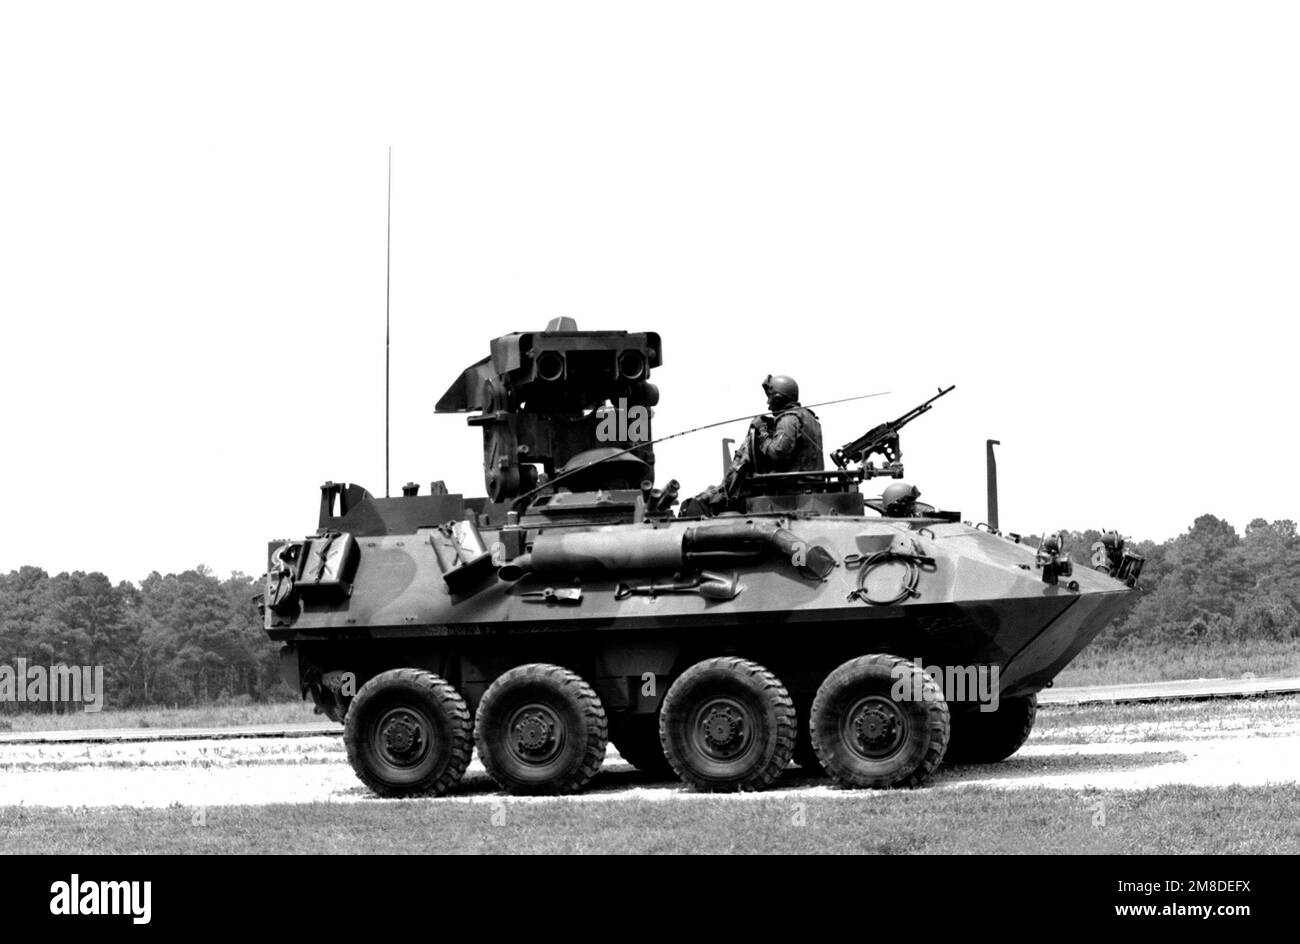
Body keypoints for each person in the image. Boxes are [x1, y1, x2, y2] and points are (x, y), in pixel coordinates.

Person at [750, 374, 824, 473]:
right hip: (810, 482)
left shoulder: (788, 419)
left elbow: (777, 453)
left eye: (770, 397)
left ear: (778, 399)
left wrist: (762, 430)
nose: (768, 403)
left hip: (792, 484)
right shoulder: (810, 418)